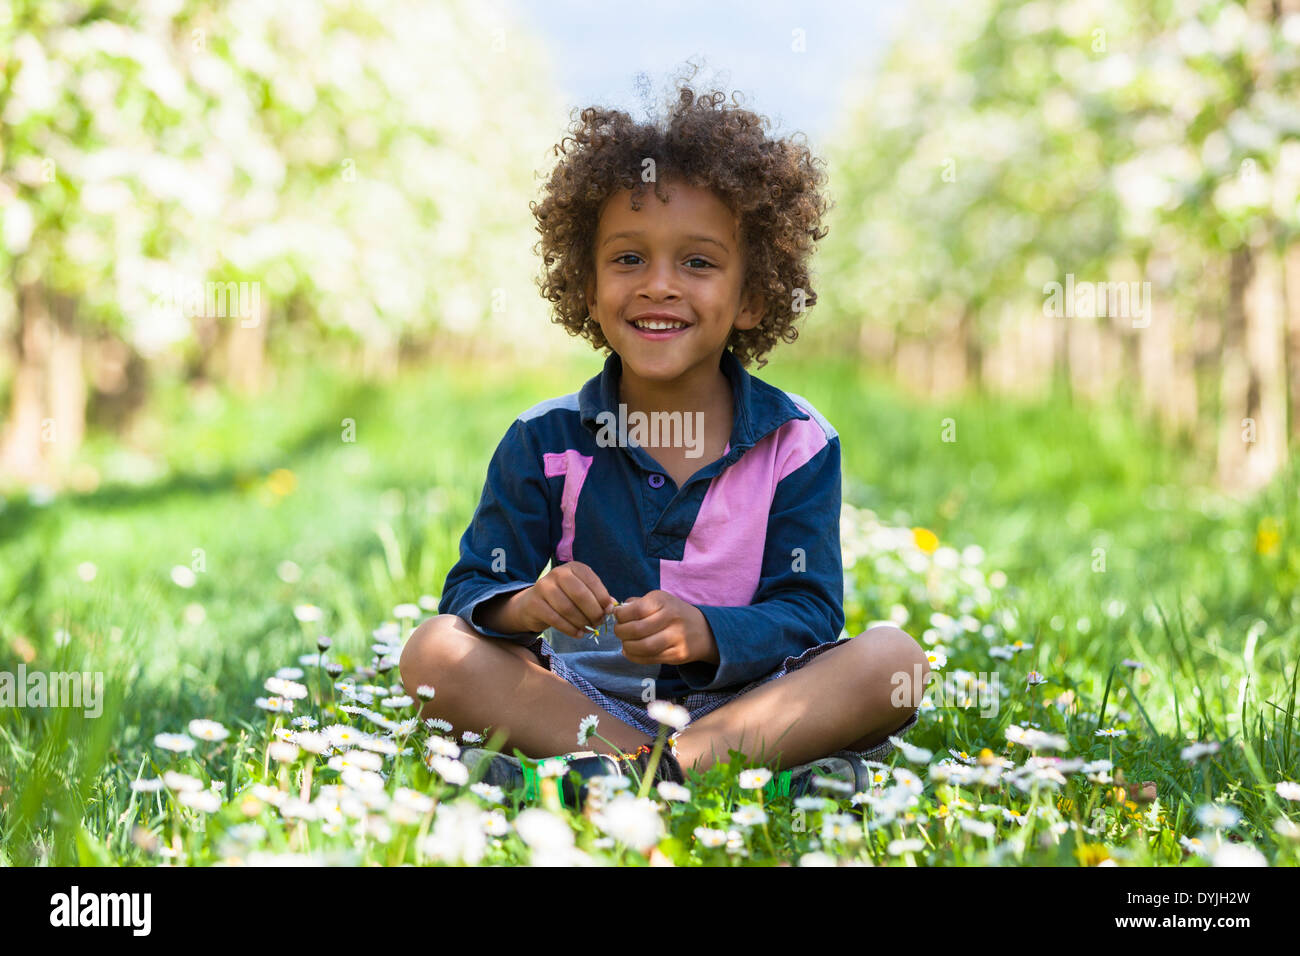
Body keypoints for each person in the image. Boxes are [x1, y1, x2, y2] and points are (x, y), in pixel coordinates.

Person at [399, 76, 929, 797]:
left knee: (892, 662)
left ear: (753, 298)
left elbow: (808, 612)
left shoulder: (798, 442)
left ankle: (625, 777)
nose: (658, 285)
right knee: (434, 650)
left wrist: (710, 633)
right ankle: (669, 770)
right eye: (627, 259)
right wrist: (528, 604)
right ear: (586, 287)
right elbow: (473, 588)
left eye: (698, 262)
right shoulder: (543, 441)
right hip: (585, 703)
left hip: (749, 703)